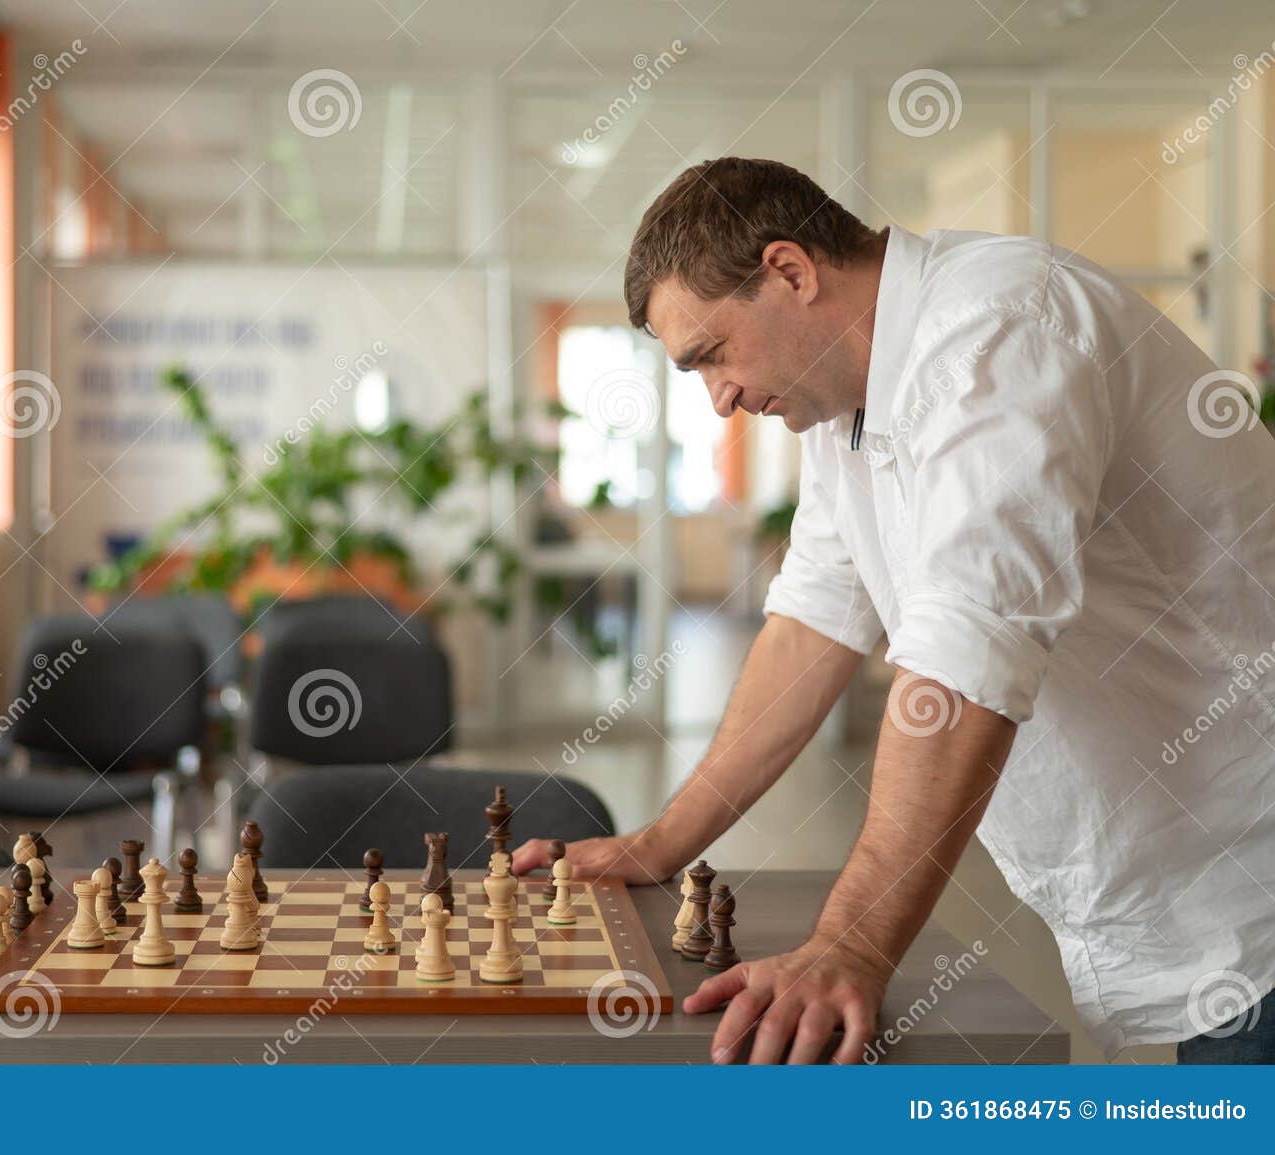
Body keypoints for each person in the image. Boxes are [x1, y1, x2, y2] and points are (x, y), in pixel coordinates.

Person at [512, 158, 1275, 1065]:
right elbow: (813, 623)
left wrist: (850, 945)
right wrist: (658, 842)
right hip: (1165, 893)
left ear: (791, 272)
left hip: (1247, 873)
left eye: (711, 354)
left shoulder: (1001, 328)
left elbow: (967, 645)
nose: (718, 398)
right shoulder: (850, 405)